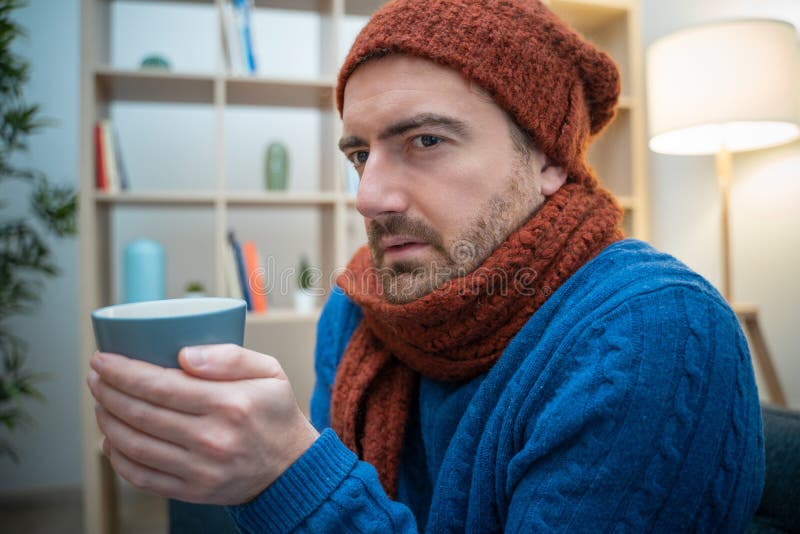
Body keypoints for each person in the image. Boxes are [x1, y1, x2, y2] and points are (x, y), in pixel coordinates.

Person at [87, 0, 765, 531]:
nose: (368, 197)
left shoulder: (654, 336)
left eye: (426, 140)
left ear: (549, 159)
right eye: (360, 155)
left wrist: (287, 477)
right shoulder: (360, 306)